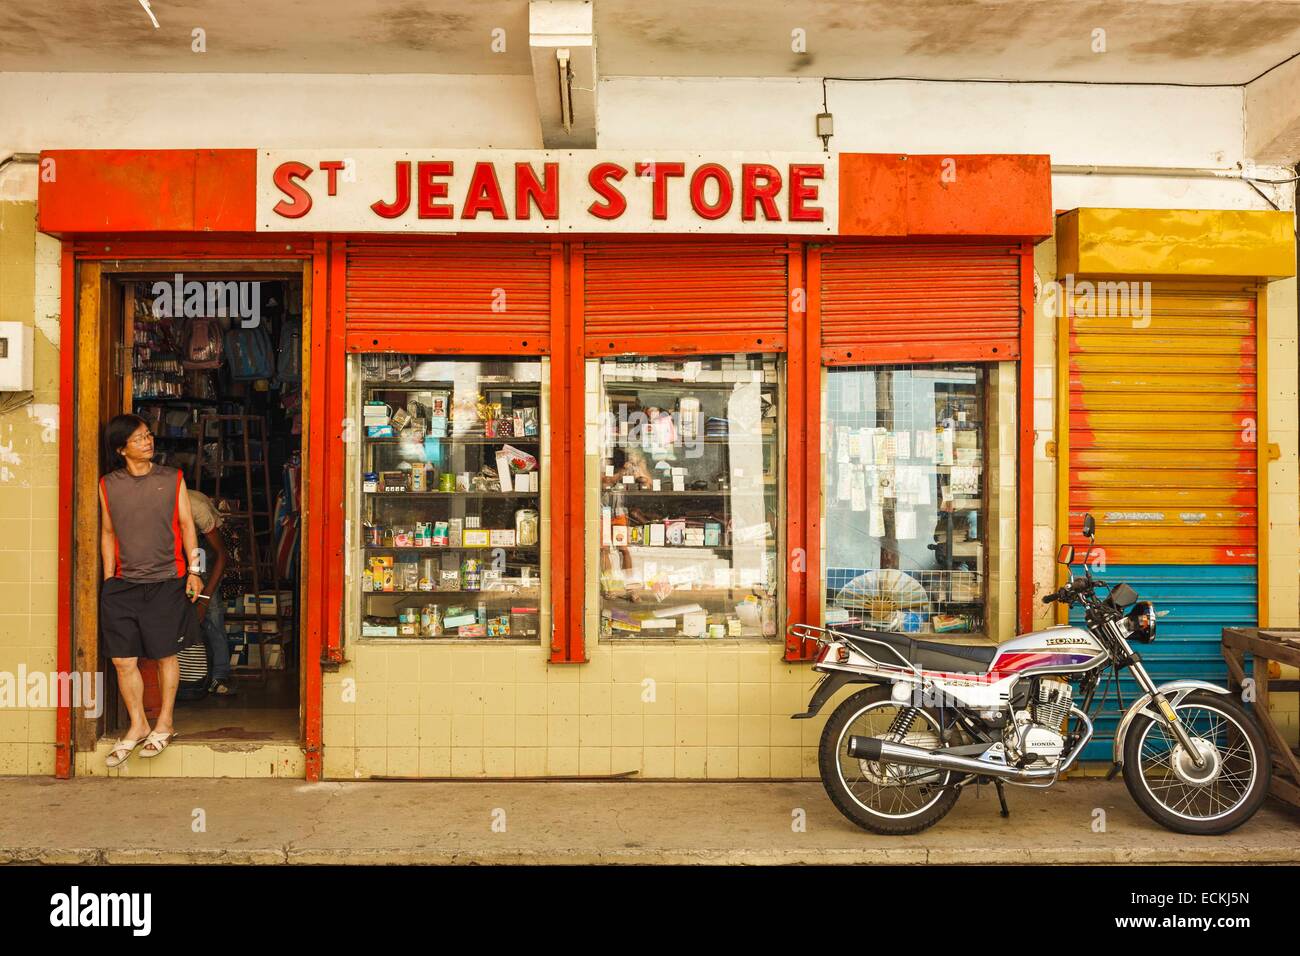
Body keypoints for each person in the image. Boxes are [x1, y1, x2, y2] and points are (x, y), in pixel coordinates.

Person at [99, 414, 205, 767]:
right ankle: (138, 724)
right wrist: (109, 578)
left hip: (166, 581)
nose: (148, 442)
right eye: (139, 438)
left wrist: (194, 571)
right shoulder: (108, 484)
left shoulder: (172, 478)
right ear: (121, 449)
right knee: (122, 660)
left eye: (148, 436)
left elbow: (188, 525)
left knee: (164, 655)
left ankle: (165, 722)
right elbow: (108, 533)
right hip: (123, 585)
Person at [188, 488, 236, 696]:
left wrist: (204, 600)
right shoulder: (156, 510)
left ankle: (219, 674)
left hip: (204, 542)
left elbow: (221, 557)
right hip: (179, 543)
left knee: (213, 612)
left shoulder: (198, 510)